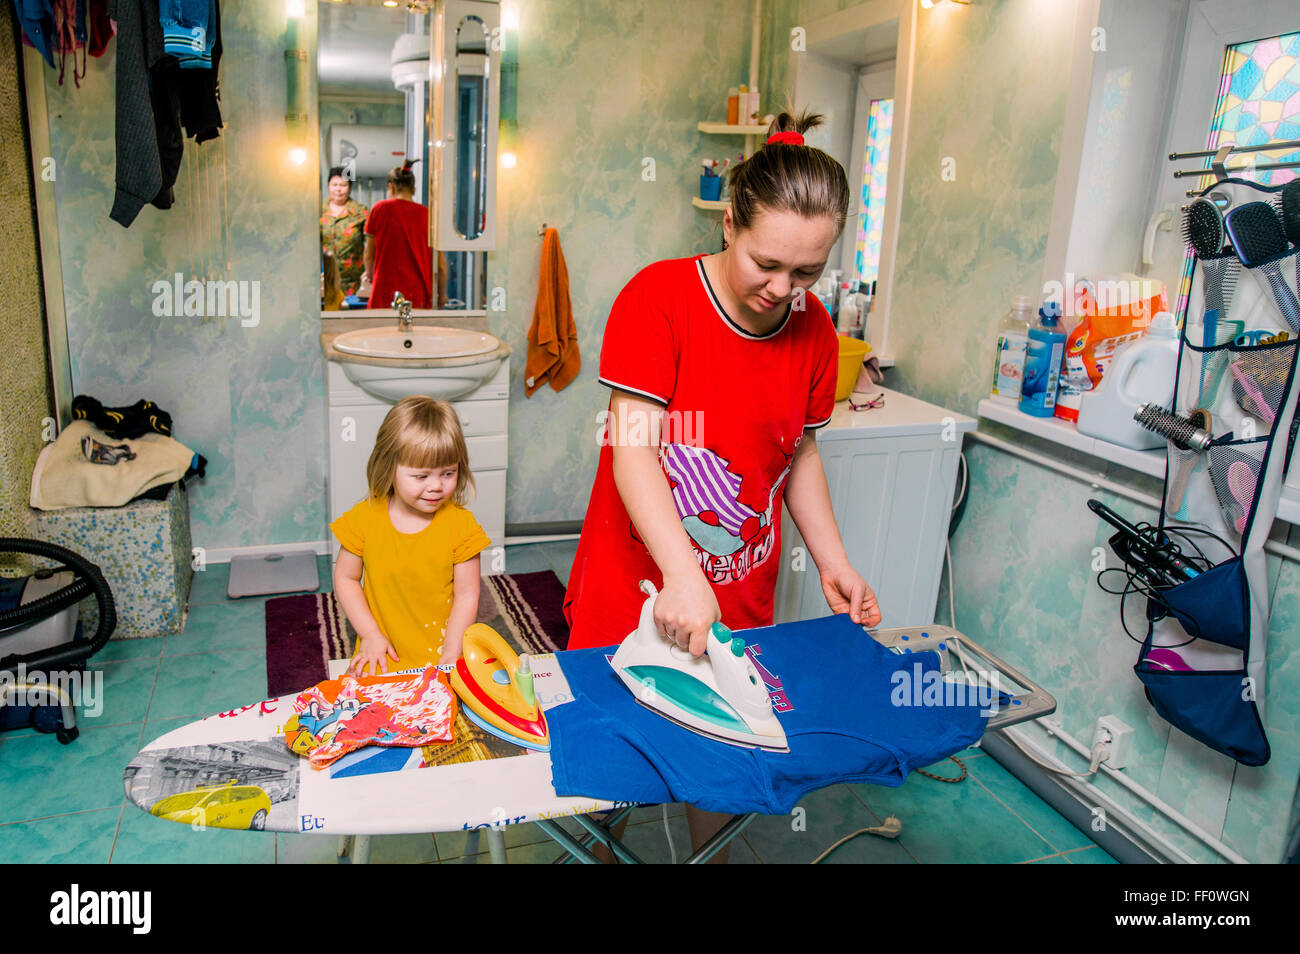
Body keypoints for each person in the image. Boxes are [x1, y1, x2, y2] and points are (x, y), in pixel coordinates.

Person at [562, 109, 882, 861]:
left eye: (807, 272)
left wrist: (833, 561)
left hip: (738, 586)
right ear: (730, 221)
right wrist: (679, 572)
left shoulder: (815, 332)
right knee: (613, 768)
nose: (783, 288)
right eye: (766, 263)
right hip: (635, 582)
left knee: (721, 760)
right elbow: (632, 448)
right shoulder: (658, 301)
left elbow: (798, 454)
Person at [331, 396, 491, 676]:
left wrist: (452, 653)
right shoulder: (364, 518)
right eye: (421, 476)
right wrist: (370, 634)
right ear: (389, 467)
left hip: (442, 654)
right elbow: (346, 578)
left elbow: (467, 595)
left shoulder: (462, 527)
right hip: (381, 652)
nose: (436, 487)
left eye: (448, 473)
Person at [364, 159, 434, 310]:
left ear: (391, 187)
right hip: (418, 290)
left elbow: (369, 254)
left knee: (380, 331)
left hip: (385, 289)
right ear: (414, 189)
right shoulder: (427, 215)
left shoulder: (379, 209)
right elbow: (439, 263)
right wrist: (441, 293)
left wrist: (369, 275)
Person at [320, 167, 368, 297]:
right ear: (328, 186)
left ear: (350, 187)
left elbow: (371, 244)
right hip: (325, 281)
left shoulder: (360, 212)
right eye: (334, 185)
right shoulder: (319, 212)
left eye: (343, 185)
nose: (338, 189)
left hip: (353, 283)